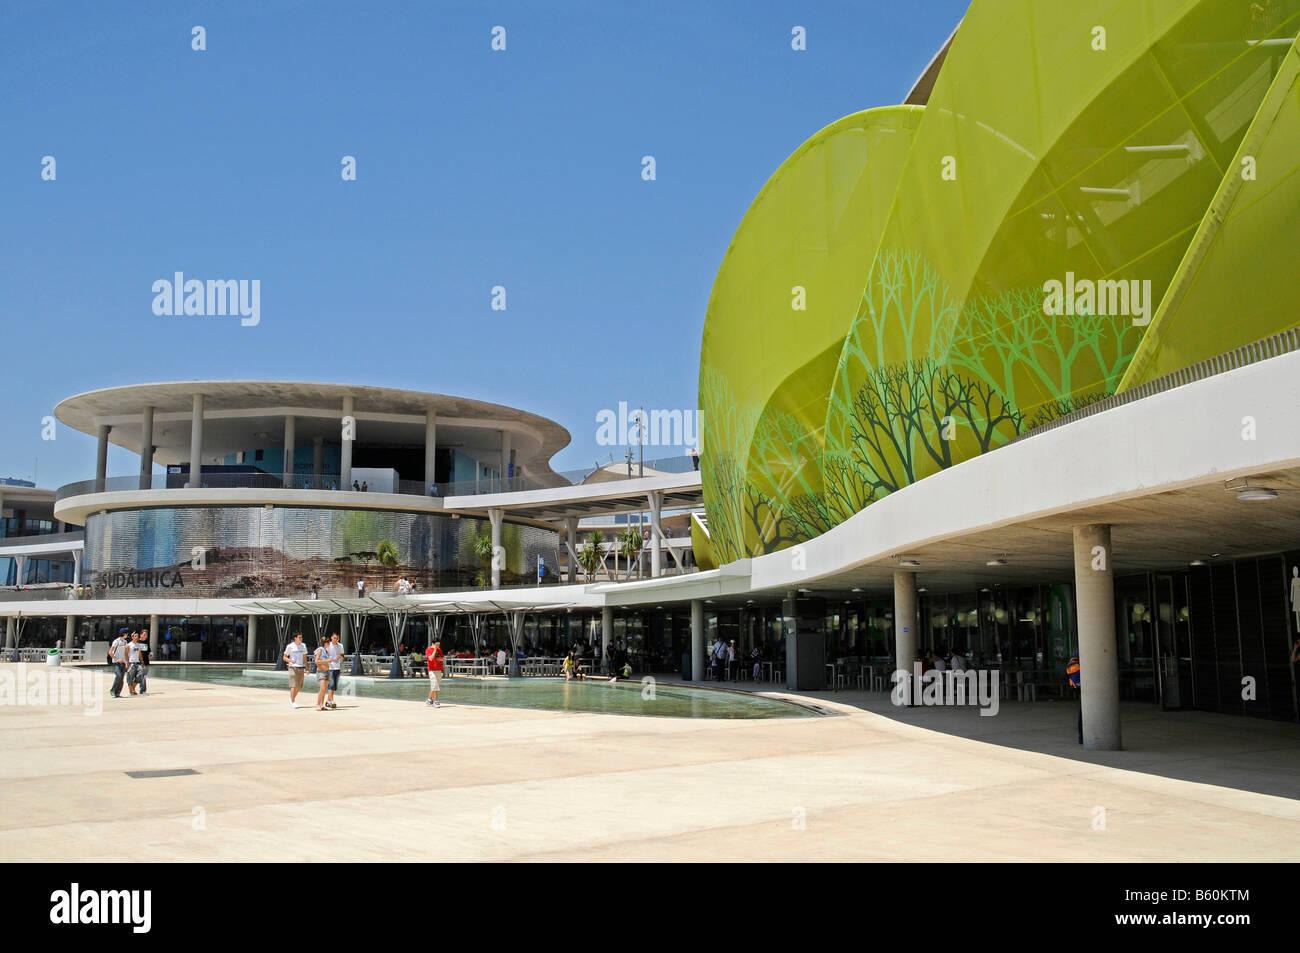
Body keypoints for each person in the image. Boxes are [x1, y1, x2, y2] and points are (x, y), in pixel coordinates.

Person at [283, 633, 307, 709]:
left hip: (301, 667)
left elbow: (305, 657)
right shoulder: (290, 646)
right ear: (295, 638)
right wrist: (290, 660)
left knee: (299, 685)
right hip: (293, 667)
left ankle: (291, 698)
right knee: (293, 684)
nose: (301, 638)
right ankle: (293, 701)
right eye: (299, 637)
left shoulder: (303, 646)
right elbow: (284, 657)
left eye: (301, 637)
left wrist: (307, 667)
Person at [325, 633, 345, 709]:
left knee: (334, 685)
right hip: (330, 667)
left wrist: (340, 656)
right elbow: (324, 655)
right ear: (331, 638)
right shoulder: (328, 645)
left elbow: (343, 656)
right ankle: (331, 700)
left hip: (337, 667)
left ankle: (328, 700)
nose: (335, 640)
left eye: (337, 638)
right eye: (334, 638)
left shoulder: (340, 646)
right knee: (331, 684)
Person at [108, 627, 129, 699]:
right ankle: (113, 691)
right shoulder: (116, 641)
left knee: (121, 678)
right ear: (124, 634)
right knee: (118, 676)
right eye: (126, 633)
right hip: (116, 663)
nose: (127, 634)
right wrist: (116, 659)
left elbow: (126, 653)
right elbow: (110, 652)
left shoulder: (125, 642)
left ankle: (118, 692)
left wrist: (126, 662)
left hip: (123, 662)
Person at [1067, 654, 1082, 745]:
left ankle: (1082, 737)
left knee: (1083, 714)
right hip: (1083, 690)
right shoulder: (1076, 660)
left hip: (1080, 689)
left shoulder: (1075, 659)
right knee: (1083, 714)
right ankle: (1082, 737)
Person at [425, 638, 444, 707]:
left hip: (438, 669)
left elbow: (442, 658)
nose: (438, 646)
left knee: (435, 685)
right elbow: (430, 658)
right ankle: (436, 701)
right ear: (433, 644)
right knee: (435, 684)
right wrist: (435, 650)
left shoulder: (439, 650)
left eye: (439, 644)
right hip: (432, 670)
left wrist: (439, 659)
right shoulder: (428, 650)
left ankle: (429, 699)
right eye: (437, 644)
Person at [312, 640, 331, 711]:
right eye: (328, 642)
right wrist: (327, 661)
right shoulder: (320, 650)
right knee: (322, 688)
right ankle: (318, 704)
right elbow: (316, 661)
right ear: (325, 643)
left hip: (327, 671)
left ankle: (321, 704)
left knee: (324, 689)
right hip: (321, 671)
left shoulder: (326, 651)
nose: (329, 644)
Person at [124, 630, 144, 696]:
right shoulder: (128, 645)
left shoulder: (138, 645)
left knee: (140, 675)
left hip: (137, 663)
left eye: (137, 636)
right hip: (131, 662)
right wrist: (127, 663)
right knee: (130, 677)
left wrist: (142, 662)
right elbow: (126, 654)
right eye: (135, 636)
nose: (136, 637)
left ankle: (133, 688)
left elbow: (140, 654)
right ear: (132, 637)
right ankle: (131, 690)